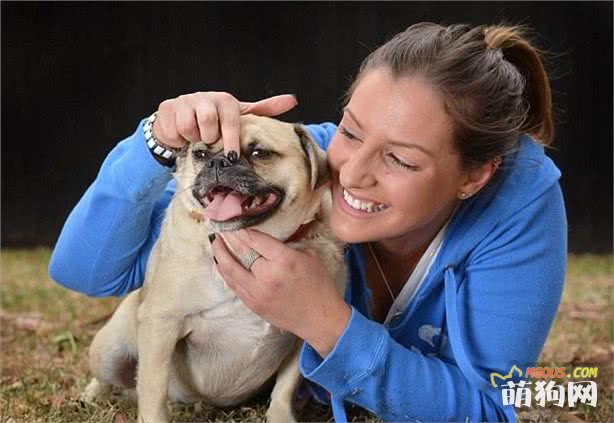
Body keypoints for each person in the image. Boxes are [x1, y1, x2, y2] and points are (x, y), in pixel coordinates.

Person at [49, 22, 567, 422]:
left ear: (474, 177)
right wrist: (158, 141)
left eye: (401, 161)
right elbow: (86, 272)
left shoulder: (519, 206)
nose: (351, 174)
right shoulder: (299, 162)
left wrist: (326, 322)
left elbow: (498, 405)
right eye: (351, 130)